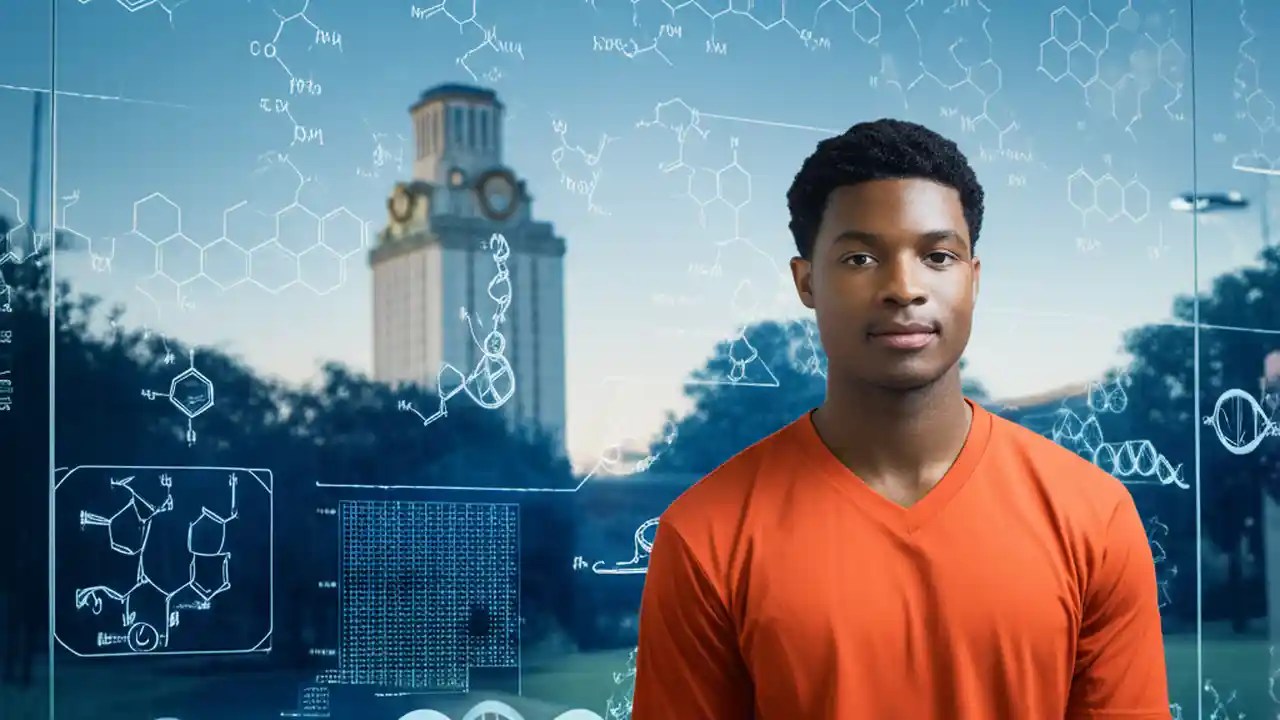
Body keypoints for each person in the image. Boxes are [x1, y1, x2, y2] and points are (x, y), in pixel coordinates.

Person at [631, 118, 1169, 719]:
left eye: (938, 256)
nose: (903, 288)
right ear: (806, 281)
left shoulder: (1094, 519)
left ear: (973, 278)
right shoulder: (707, 535)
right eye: (861, 257)